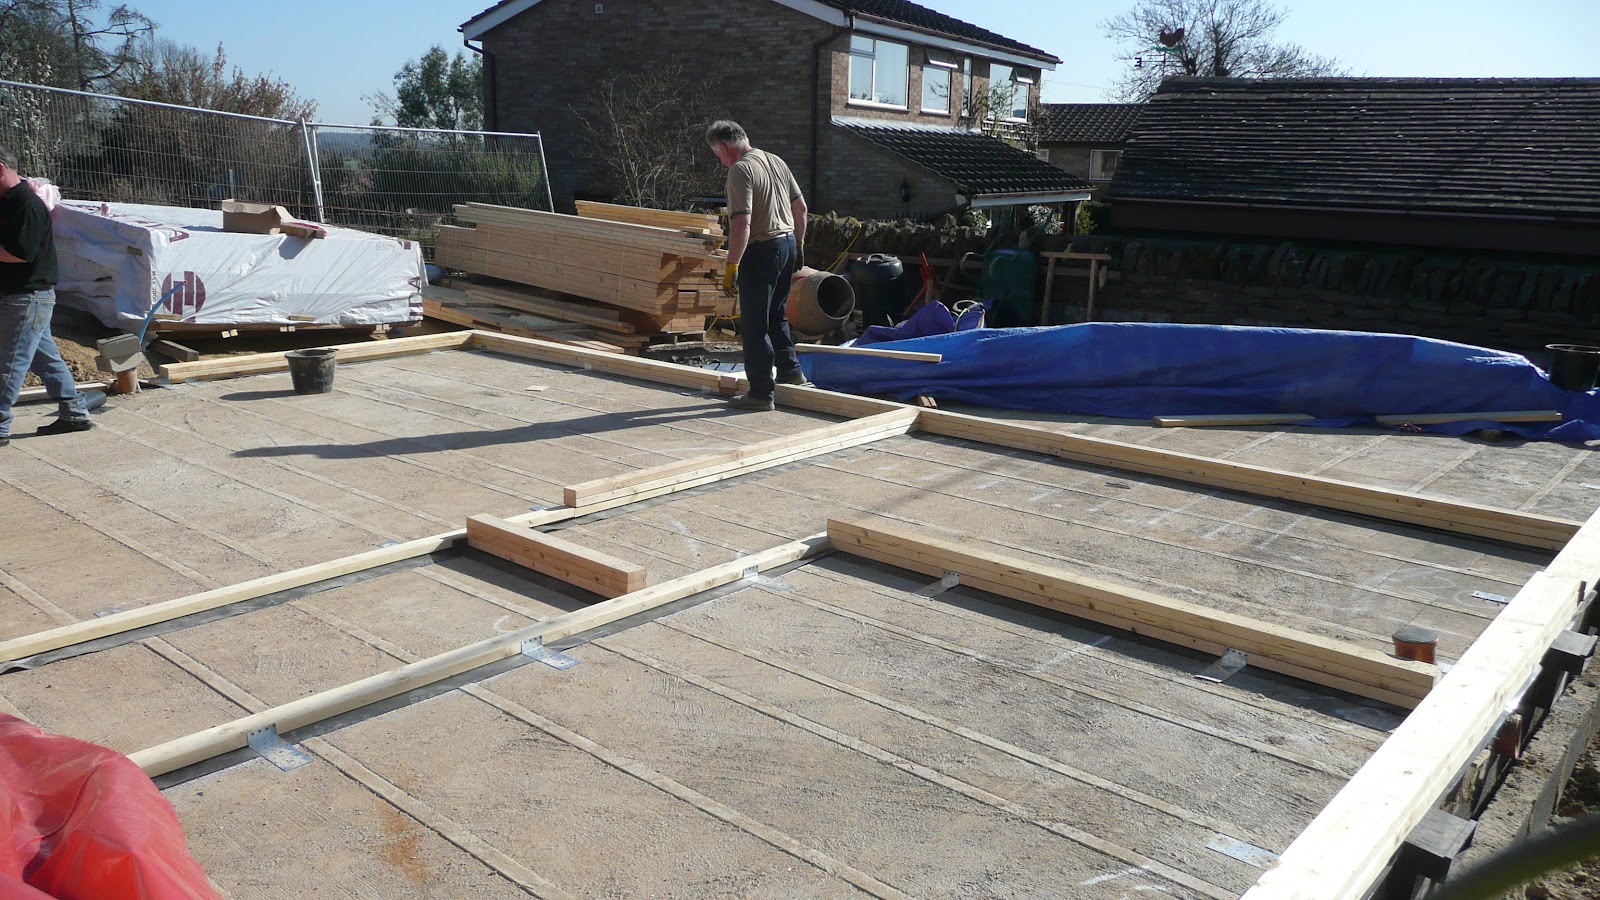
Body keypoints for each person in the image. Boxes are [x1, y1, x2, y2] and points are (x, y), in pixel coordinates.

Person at [706, 120, 808, 411]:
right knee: (777, 314)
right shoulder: (775, 161)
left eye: (718, 156)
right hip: (787, 244)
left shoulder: (741, 170)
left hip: (762, 250)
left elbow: (742, 222)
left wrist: (732, 265)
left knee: (753, 324)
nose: (721, 162)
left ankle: (761, 393)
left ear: (724, 147)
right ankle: (791, 373)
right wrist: (799, 245)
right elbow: (801, 209)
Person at [0, 144, 91, 448]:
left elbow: (20, 253)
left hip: (28, 297)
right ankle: (75, 412)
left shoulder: (25, 203)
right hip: (23, 296)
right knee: (44, 358)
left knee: (10, 363)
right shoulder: (8, 202)